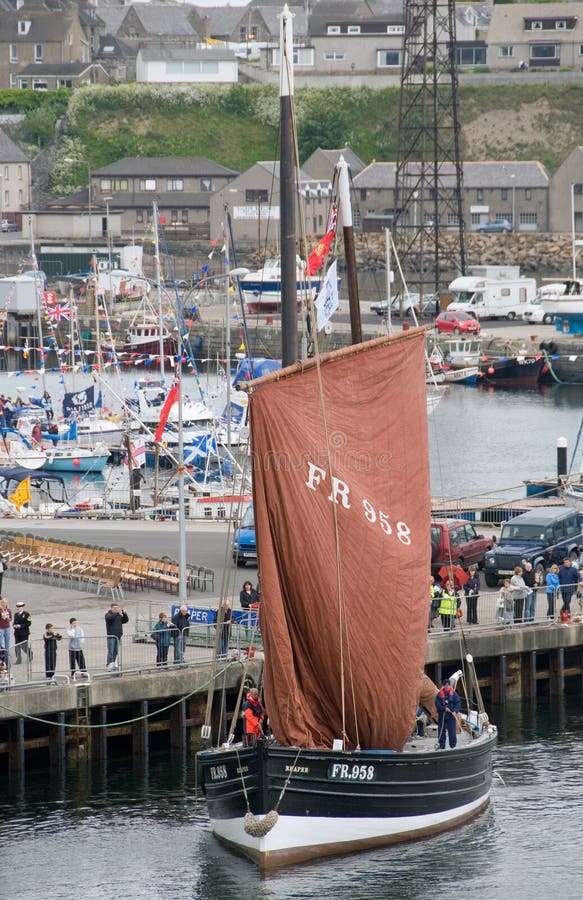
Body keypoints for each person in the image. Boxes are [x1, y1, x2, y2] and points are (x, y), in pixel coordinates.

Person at [435, 678, 461, 749]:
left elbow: (458, 703)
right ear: (443, 686)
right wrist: (444, 708)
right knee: (441, 731)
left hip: (451, 716)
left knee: (452, 731)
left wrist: (455, 711)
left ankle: (453, 746)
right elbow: (437, 704)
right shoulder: (439, 695)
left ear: (450, 686)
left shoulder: (454, 694)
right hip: (442, 716)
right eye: (445, 685)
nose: (447, 686)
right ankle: (441, 745)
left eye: (448, 685)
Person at [105, 602, 129, 670]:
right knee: (111, 651)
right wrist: (116, 613)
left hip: (118, 636)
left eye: (118, 608)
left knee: (115, 651)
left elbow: (125, 620)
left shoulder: (118, 615)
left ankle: (113, 663)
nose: (117, 609)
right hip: (111, 636)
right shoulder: (108, 614)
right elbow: (110, 618)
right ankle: (109, 664)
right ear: (112, 608)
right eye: (115, 608)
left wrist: (124, 613)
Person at [13, 601, 32, 665]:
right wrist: (14, 626)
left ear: (23, 607)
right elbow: (14, 622)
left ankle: (30, 653)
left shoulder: (26, 614)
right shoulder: (16, 614)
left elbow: (29, 623)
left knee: (24, 646)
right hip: (17, 633)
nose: (18, 608)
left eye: (20, 607)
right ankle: (18, 659)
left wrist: (21, 626)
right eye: (17, 607)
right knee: (17, 647)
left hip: (24, 633)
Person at [0, 597, 12, 663]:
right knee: (0, 642)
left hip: (7, 627)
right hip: (1, 628)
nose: (4, 604)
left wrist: (7, 618)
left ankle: (6, 658)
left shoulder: (9, 610)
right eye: (3, 603)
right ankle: (1, 655)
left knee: (7, 642)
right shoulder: (0, 610)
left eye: (5, 603)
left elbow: (10, 619)